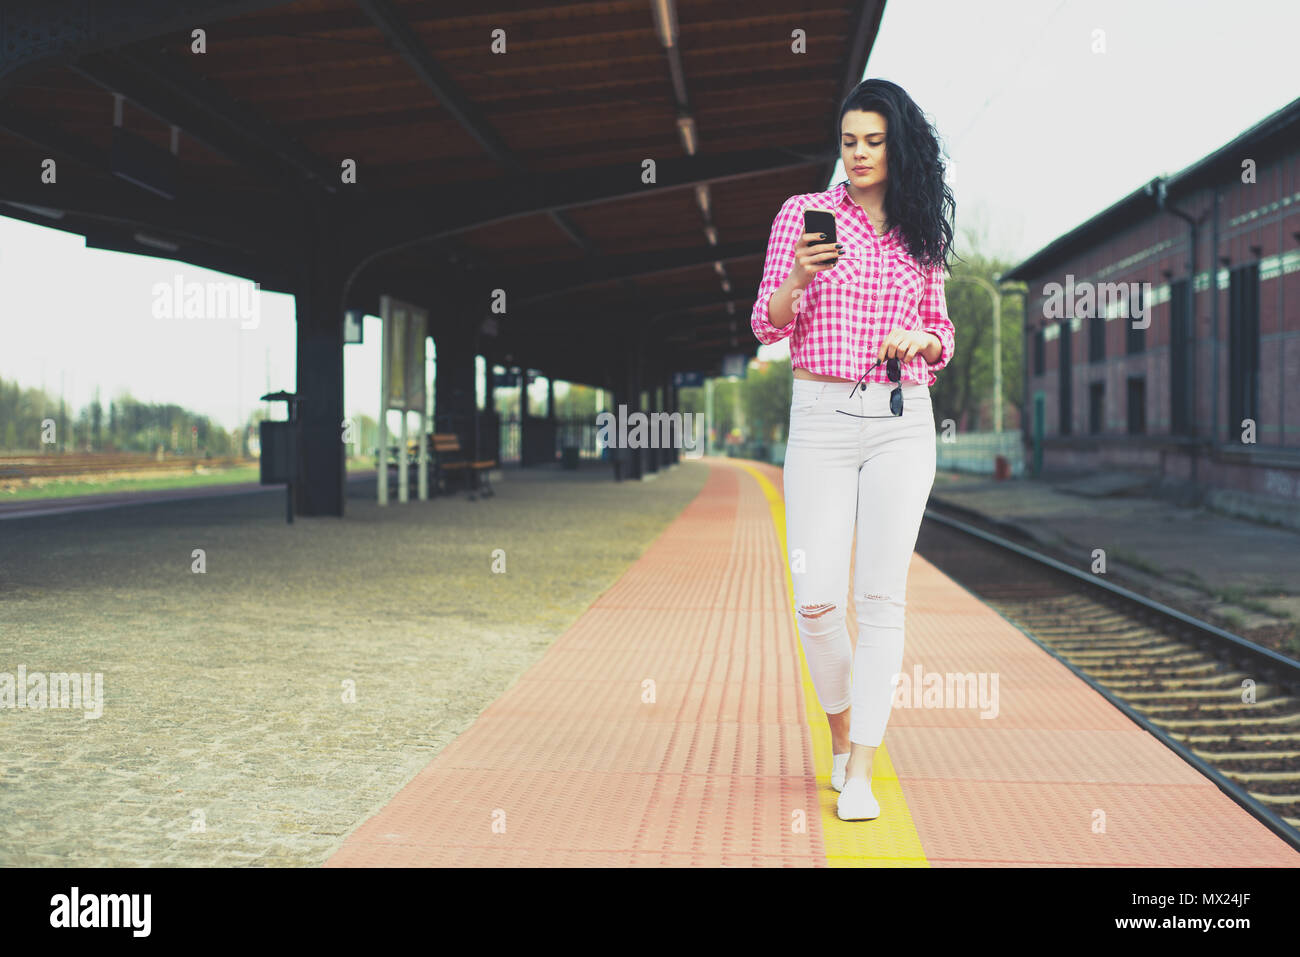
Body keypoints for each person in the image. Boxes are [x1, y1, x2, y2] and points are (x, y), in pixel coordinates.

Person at [750, 78, 958, 821]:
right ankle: (839, 733)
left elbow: (943, 332)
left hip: (903, 417)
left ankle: (863, 768)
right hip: (820, 416)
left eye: (873, 140)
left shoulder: (919, 232)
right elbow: (767, 324)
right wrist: (800, 276)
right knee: (816, 600)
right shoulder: (801, 218)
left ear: (895, 145)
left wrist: (922, 338)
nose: (860, 154)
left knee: (879, 598)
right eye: (849, 141)